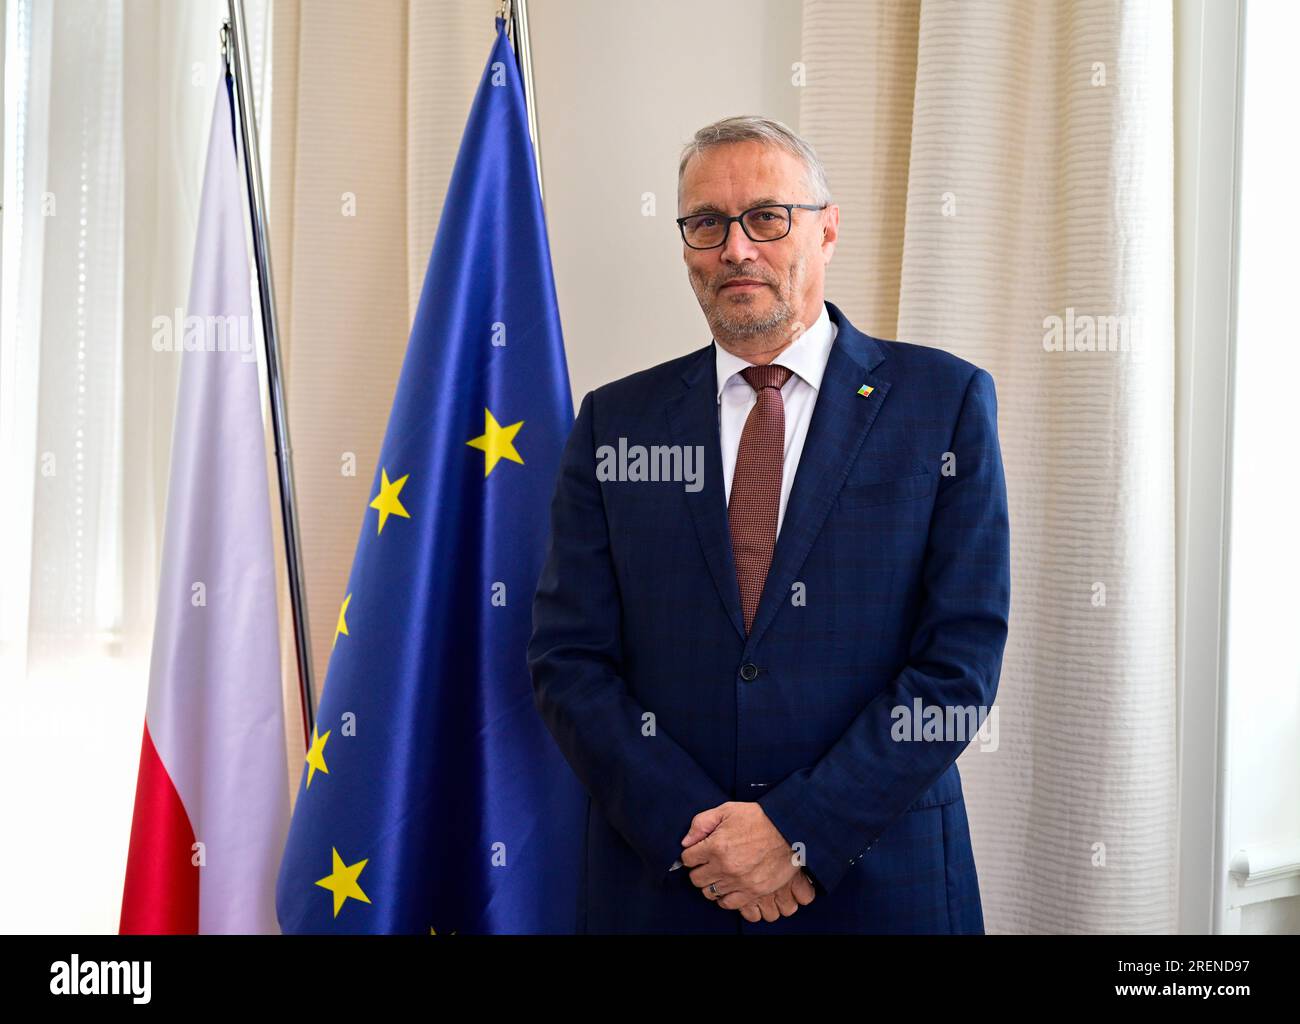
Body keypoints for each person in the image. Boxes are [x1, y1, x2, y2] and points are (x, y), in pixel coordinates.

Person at [527, 115, 1010, 934]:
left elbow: (959, 667)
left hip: (880, 882)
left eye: (766, 217)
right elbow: (569, 661)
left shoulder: (945, 404)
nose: (736, 249)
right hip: (670, 882)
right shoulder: (615, 422)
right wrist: (706, 841)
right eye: (706, 223)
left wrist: (798, 831)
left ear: (827, 229)